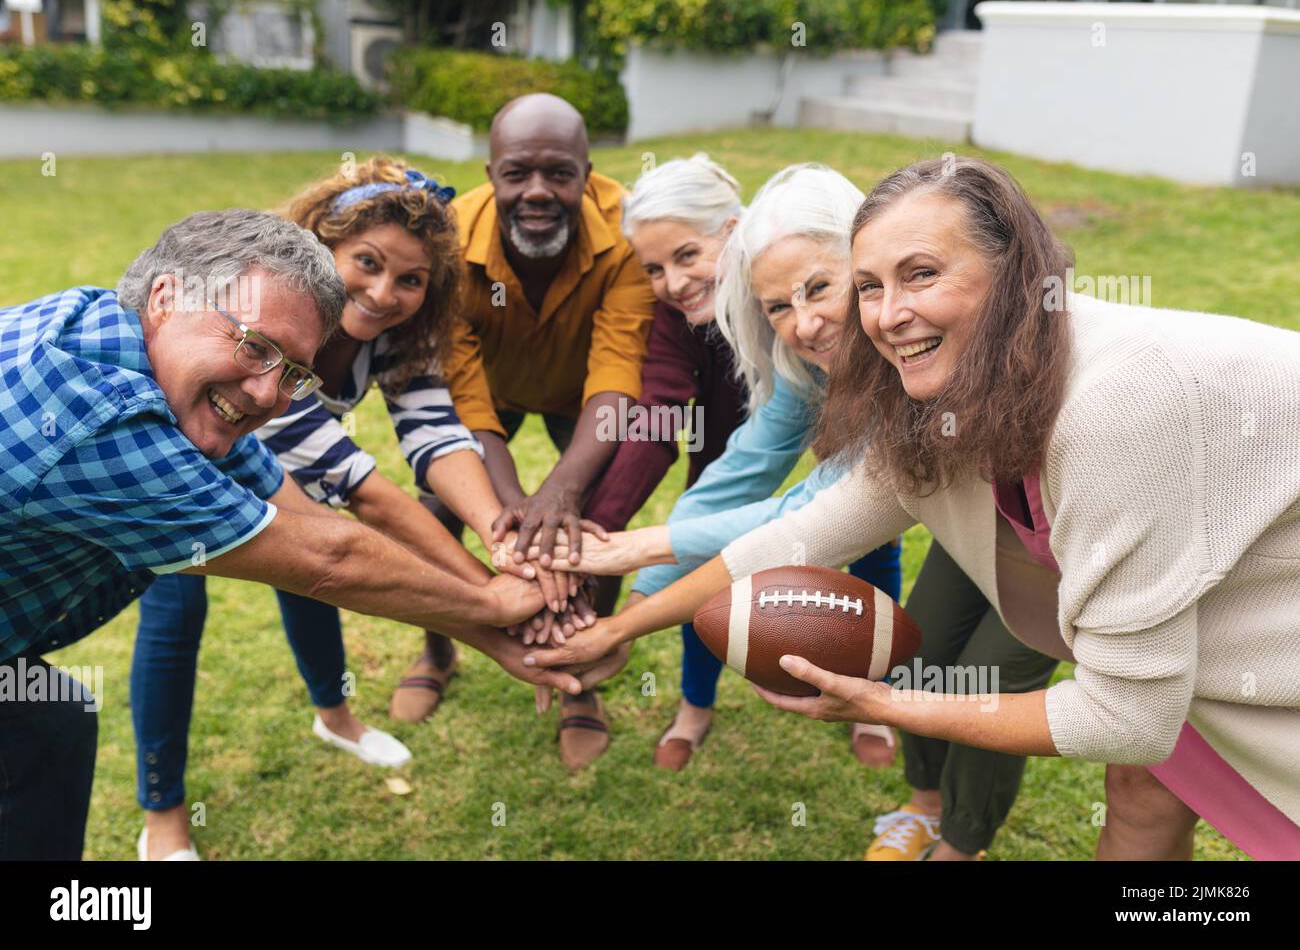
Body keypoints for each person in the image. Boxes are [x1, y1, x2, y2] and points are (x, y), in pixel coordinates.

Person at [527, 156, 1300, 860]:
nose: (888, 314)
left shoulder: (1114, 407)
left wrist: (887, 704)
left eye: (921, 274)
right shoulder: (939, 396)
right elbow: (800, 533)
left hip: (1274, 636)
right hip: (1214, 620)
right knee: (1143, 789)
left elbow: (1127, 716)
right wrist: (617, 628)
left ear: (1015, 272)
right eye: (870, 285)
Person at [0, 209, 597, 861]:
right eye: (255, 347)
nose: (265, 393)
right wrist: (497, 609)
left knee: (51, 723)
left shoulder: (111, 331)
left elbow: (302, 511)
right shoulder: (101, 424)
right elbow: (327, 558)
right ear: (168, 295)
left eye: (292, 375)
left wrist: (493, 608)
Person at [128, 159, 556, 860]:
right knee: (179, 616)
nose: (384, 292)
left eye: (412, 279)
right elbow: (364, 491)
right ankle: (164, 814)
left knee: (310, 571)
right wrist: (492, 596)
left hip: (263, 462)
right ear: (321, 243)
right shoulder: (280, 329)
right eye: (367, 262)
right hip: (177, 457)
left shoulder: (398, 332)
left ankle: (335, 715)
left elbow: (436, 436)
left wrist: (497, 538)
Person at [580, 162, 905, 772]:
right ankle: (694, 705)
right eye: (778, 306)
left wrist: (633, 551)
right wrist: (632, 609)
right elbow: (737, 473)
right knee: (716, 557)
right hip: (828, 484)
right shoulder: (799, 352)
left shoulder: (904, 352)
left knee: (873, 553)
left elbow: (812, 513)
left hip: (988, 524)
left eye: (818, 289)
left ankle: (873, 702)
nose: (803, 322)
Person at [425, 92, 657, 769]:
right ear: (491, 173)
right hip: (490, 397)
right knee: (440, 512)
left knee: (598, 519)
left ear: (588, 174)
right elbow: (465, 396)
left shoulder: (628, 235)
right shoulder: (445, 242)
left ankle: (582, 670)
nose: (537, 192)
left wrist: (561, 491)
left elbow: (617, 375)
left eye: (559, 173)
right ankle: (438, 649)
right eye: (517, 172)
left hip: (584, 399)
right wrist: (509, 508)